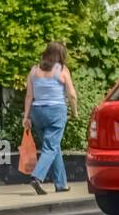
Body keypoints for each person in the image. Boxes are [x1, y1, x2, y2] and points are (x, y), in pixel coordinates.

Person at [22, 42, 79, 195]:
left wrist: (26, 116)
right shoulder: (62, 69)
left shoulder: (34, 70)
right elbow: (72, 94)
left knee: (53, 146)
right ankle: (37, 177)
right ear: (61, 55)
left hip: (38, 113)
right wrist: (75, 112)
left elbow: (29, 96)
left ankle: (61, 184)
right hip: (55, 111)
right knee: (51, 147)